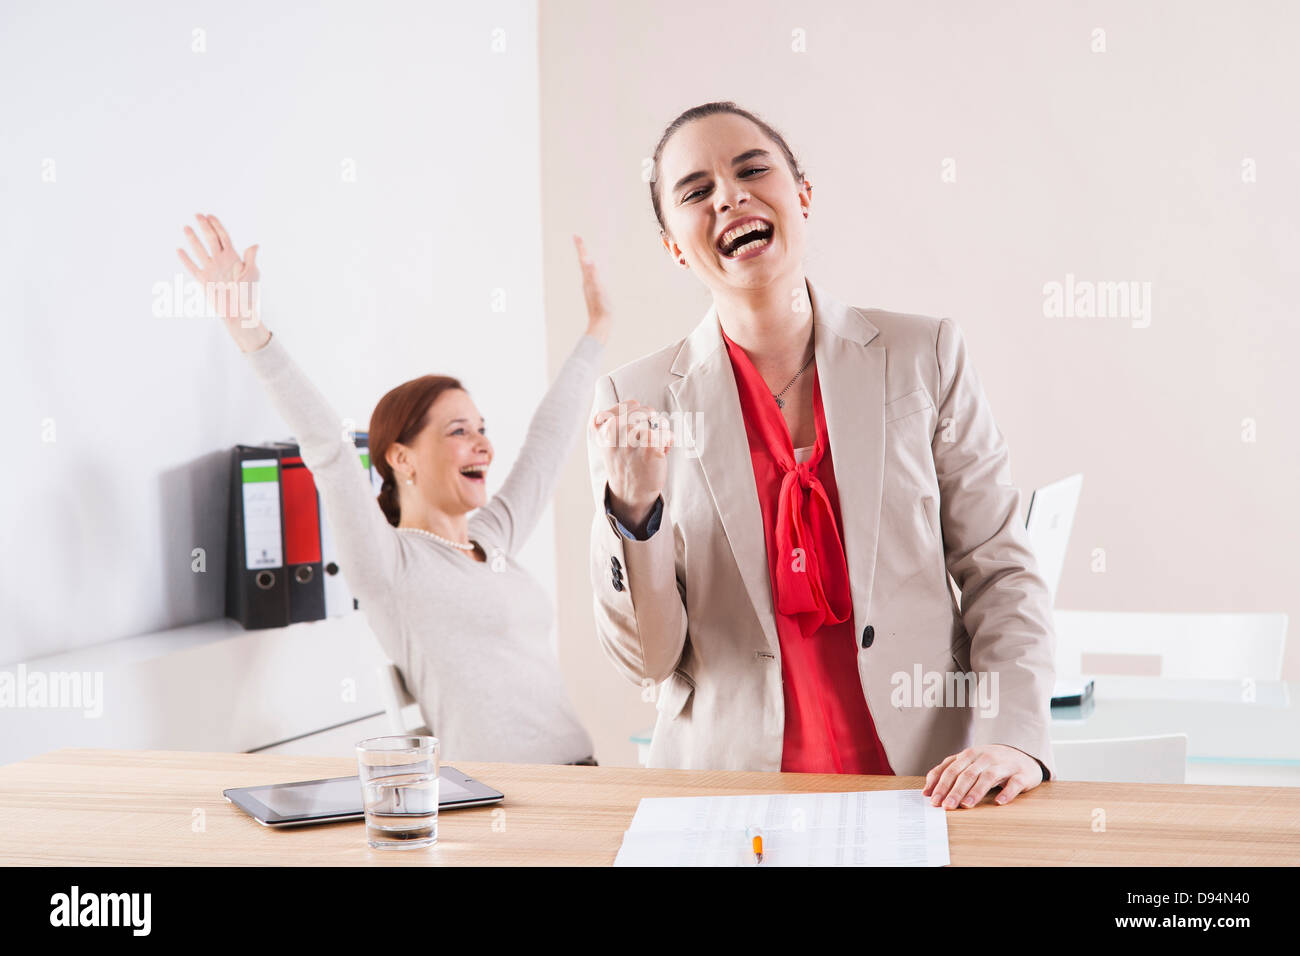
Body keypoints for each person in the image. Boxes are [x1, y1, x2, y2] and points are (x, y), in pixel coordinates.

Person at [586, 103, 1057, 808]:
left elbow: (1002, 572)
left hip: (928, 788)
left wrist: (1013, 736)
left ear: (802, 195)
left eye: (752, 170)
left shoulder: (924, 354)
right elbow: (649, 660)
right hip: (731, 801)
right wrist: (633, 511)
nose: (730, 196)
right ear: (675, 247)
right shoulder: (635, 397)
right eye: (695, 192)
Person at [177, 213, 607, 765]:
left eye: (482, 429)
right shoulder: (390, 564)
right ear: (401, 457)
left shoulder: (491, 538)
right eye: (459, 431)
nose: (483, 445)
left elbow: (547, 444)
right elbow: (328, 449)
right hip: (510, 808)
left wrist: (597, 329)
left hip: (586, 778)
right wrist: (248, 331)